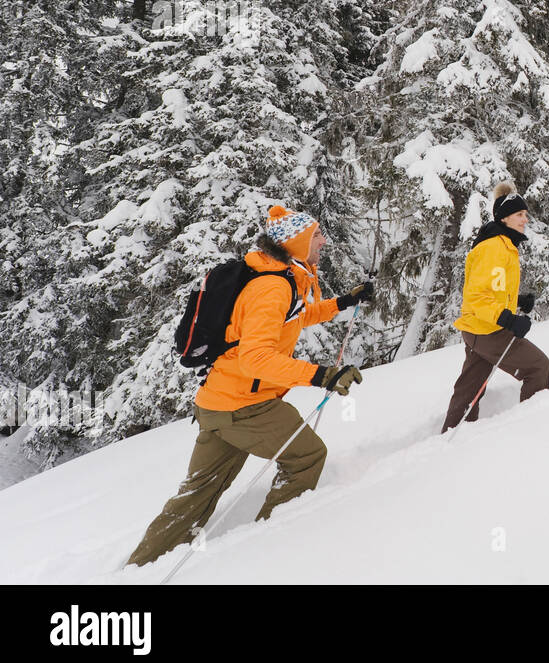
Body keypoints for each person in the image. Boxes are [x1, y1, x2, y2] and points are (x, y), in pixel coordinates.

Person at [127, 205, 373, 567]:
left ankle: (139, 568)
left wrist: (343, 303)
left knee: (195, 496)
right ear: (296, 242)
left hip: (217, 403)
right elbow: (255, 359)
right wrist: (322, 375)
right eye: (316, 235)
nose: (323, 241)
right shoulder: (272, 287)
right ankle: (265, 550)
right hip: (246, 405)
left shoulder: (275, 276)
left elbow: (294, 318)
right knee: (307, 456)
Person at [441, 182, 549, 433]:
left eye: (525, 214)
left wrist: (516, 302)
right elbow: (477, 296)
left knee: (469, 387)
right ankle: (535, 425)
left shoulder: (502, 244)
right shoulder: (494, 248)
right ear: (504, 217)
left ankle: (449, 437)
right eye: (520, 215)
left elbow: (493, 288)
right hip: (488, 330)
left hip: (478, 328)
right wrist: (509, 319)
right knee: (537, 367)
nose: (526, 219)